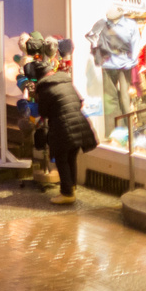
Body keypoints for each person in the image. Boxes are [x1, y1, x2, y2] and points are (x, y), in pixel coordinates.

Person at [32, 58, 99, 204]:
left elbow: (43, 112)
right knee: (71, 157)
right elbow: (80, 102)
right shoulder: (66, 81)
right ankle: (71, 187)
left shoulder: (44, 88)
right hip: (79, 123)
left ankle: (67, 193)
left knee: (61, 159)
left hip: (62, 127)